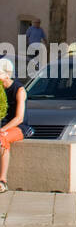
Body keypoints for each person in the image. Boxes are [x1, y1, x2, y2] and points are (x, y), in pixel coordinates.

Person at [0, 57, 28, 194]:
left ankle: (2, 180)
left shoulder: (19, 89)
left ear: (6, 74)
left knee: (2, 138)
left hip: (18, 127)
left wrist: (2, 129)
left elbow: (19, 118)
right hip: (2, 126)